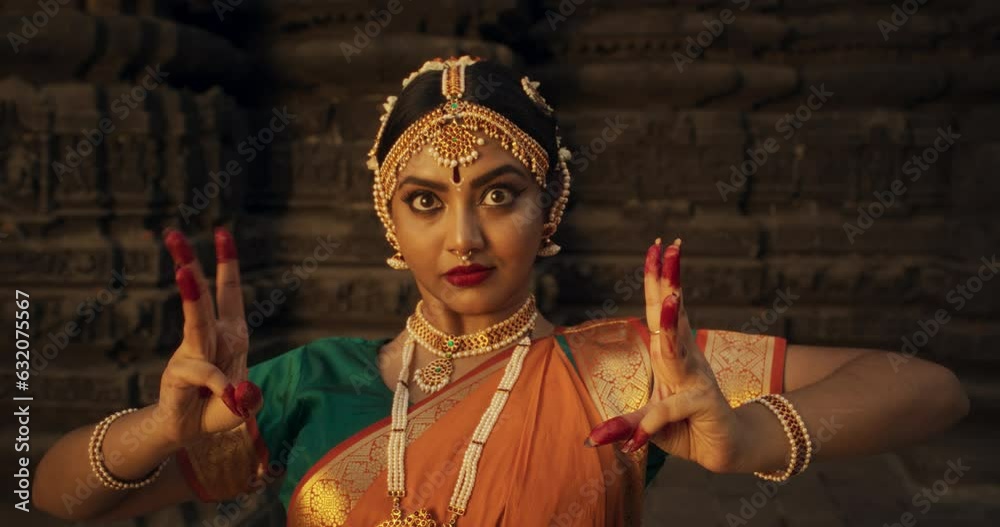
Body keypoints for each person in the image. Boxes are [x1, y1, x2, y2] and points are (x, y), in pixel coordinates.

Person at [33, 56, 970, 526]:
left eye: (500, 194)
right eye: (425, 201)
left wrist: (757, 434)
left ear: (549, 205)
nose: (465, 235)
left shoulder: (617, 375)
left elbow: (931, 387)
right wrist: (160, 428)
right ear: (389, 222)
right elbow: (50, 495)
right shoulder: (307, 385)